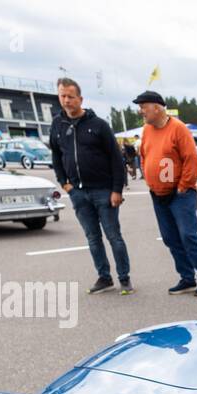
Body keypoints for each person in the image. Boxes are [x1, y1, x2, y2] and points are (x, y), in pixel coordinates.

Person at [50, 77, 132, 295]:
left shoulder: (98, 125)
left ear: (80, 99)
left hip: (103, 191)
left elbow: (116, 159)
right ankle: (104, 277)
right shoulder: (58, 125)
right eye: (62, 96)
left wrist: (117, 190)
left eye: (70, 96)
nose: (66, 100)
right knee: (92, 238)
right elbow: (56, 155)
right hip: (78, 192)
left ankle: (124, 279)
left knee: (114, 236)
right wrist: (64, 183)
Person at [135, 89, 197, 296]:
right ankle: (187, 278)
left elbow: (191, 160)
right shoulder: (147, 130)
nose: (141, 111)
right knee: (170, 238)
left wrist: (182, 185)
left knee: (188, 235)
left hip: (180, 194)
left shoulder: (178, 129)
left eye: (143, 107)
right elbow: (144, 155)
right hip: (157, 194)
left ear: (157, 107)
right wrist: (148, 177)